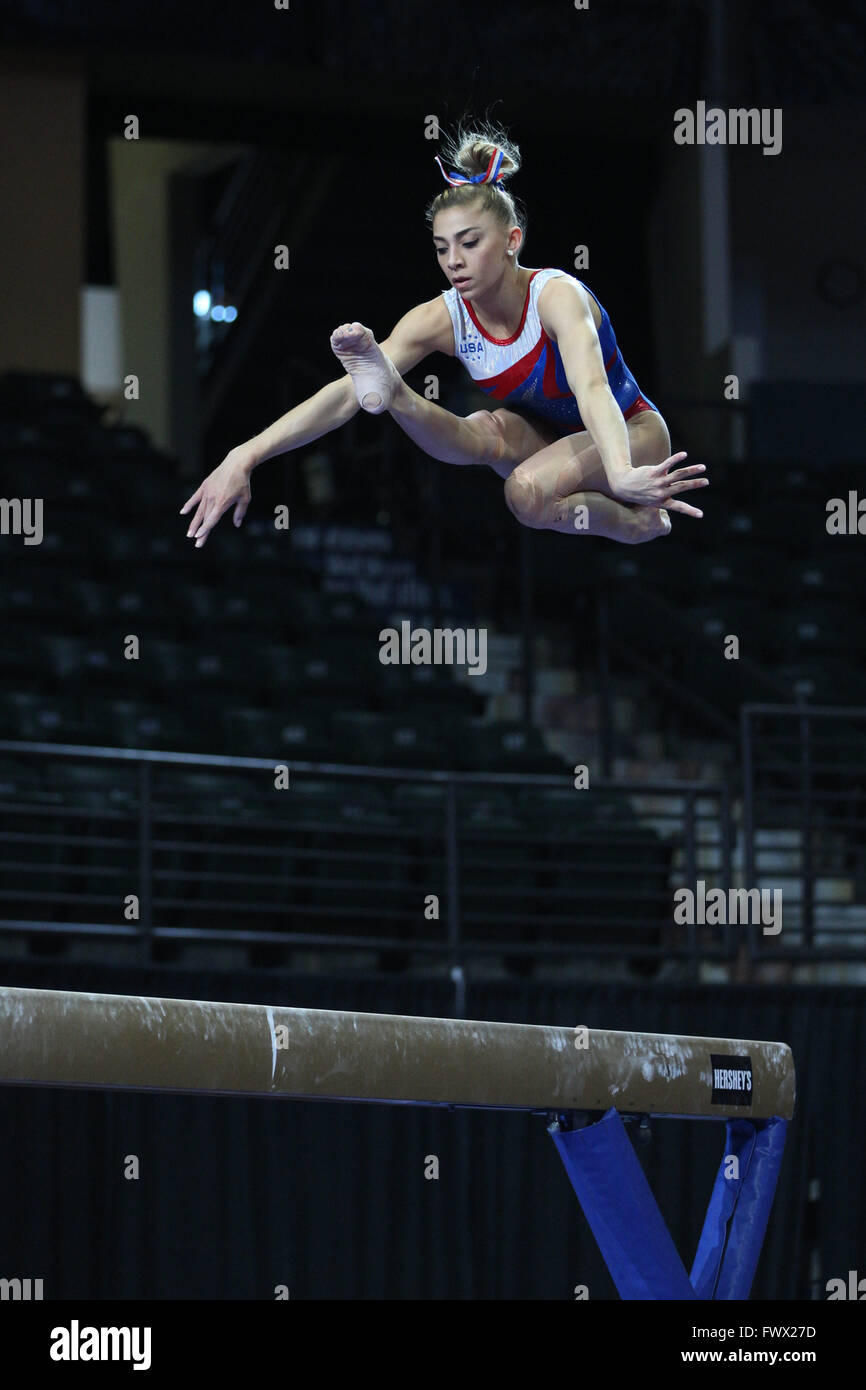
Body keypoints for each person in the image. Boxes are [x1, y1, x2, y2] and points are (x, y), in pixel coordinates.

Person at [181, 123, 707, 548]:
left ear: (511, 240)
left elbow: (592, 389)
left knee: (525, 494)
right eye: (441, 247)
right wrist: (244, 455)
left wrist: (619, 473)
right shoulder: (443, 317)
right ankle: (396, 394)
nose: (453, 261)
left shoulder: (556, 298)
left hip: (630, 433)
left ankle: (637, 526)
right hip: (544, 437)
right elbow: (341, 396)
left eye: (470, 242)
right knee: (482, 429)